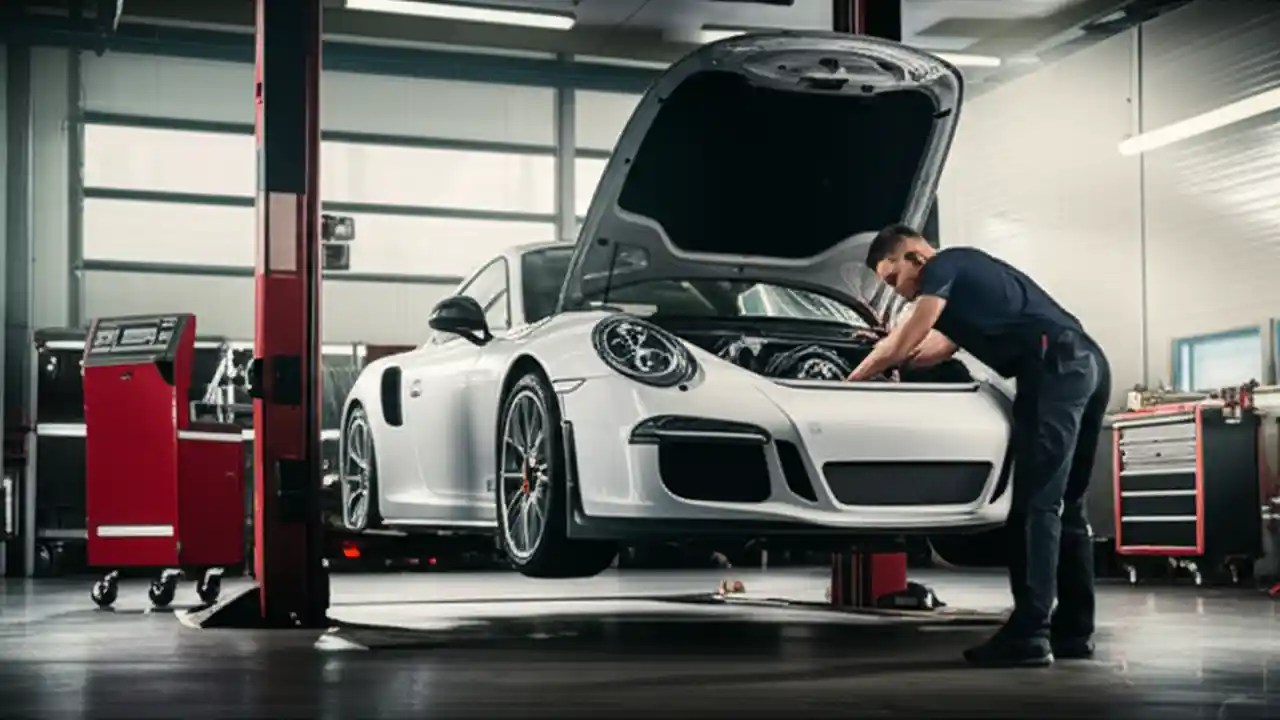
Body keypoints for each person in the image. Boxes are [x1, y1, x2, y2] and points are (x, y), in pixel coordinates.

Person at [847, 223, 1112, 668]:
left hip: (1054, 367)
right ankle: (1074, 632)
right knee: (1069, 505)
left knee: (1035, 505)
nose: (901, 293)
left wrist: (853, 380)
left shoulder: (947, 263)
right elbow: (930, 349)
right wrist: (889, 348)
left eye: (894, 280)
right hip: (1087, 362)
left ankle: (1030, 633)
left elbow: (914, 331)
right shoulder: (969, 286)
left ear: (915, 258)